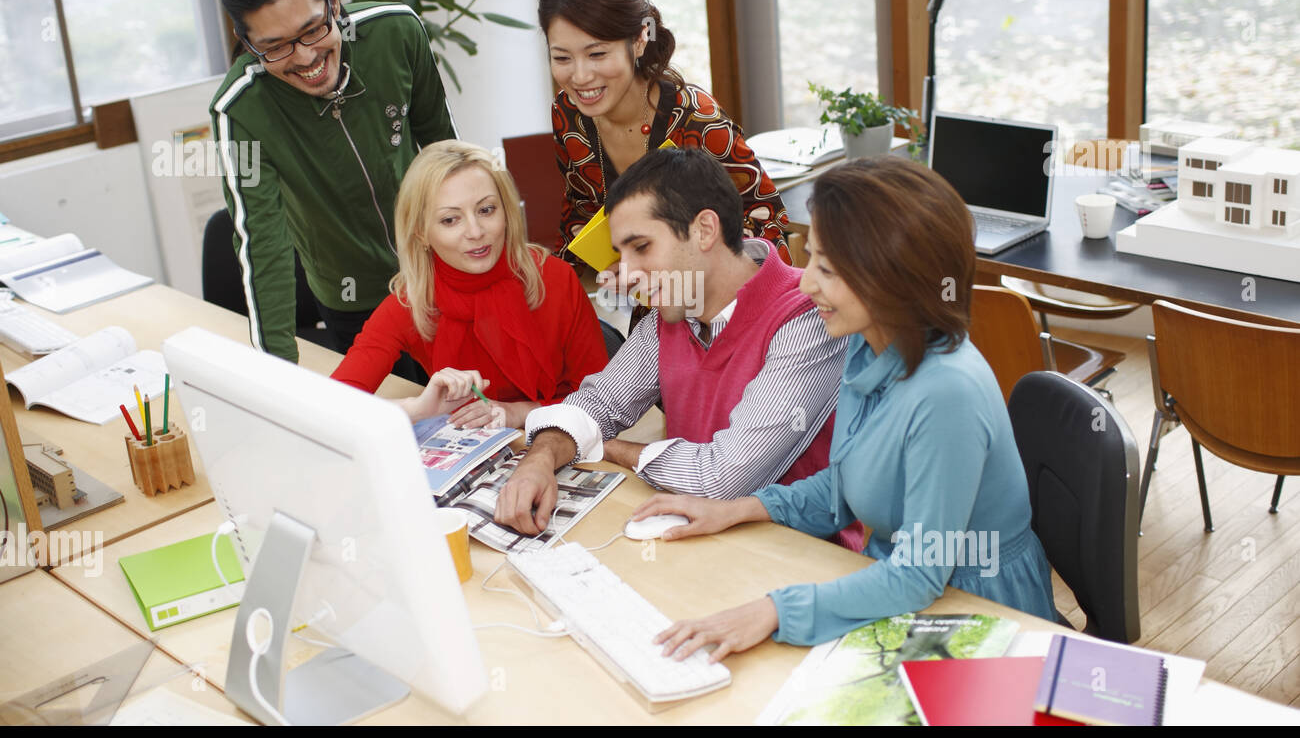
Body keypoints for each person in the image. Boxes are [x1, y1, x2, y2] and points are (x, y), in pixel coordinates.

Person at [632, 157, 1058, 661]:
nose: (806, 284)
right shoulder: (866, 344)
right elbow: (846, 484)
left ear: (892, 279)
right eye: (809, 258)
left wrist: (773, 610)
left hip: (978, 609)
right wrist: (734, 509)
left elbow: (919, 574)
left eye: (827, 269)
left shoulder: (948, 393)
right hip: (901, 582)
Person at [494, 148, 847, 537]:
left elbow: (722, 479)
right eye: (620, 254)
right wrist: (540, 459)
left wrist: (604, 446)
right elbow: (595, 404)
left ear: (705, 230)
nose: (625, 275)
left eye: (641, 247)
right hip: (696, 540)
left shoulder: (809, 317)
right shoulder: (673, 310)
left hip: (798, 557)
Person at [211, 0, 457, 365]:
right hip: (353, 302)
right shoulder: (241, 110)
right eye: (275, 47)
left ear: (332, 0)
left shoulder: (395, 31)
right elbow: (261, 244)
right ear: (247, 43)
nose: (305, 58)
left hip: (444, 276)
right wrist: (278, 377)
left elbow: (446, 155)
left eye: (313, 29)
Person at [331, 141, 608, 428]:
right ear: (421, 233)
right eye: (450, 219)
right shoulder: (409, 303)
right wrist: (417, 408)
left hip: (569, 438)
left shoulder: (556, 278)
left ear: (507, 212)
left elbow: (603, 402)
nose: (475, 232)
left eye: (486, 210)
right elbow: (331, 407)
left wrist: (519, 413)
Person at [539, 0, 791, 268]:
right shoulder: (568, 115)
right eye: (562, 58)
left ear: (641, 38)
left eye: (597, 54)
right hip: (631, 296)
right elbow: (581, 217)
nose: (579, 77)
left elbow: (768, 224)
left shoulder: (697, 120)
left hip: (717, 298)